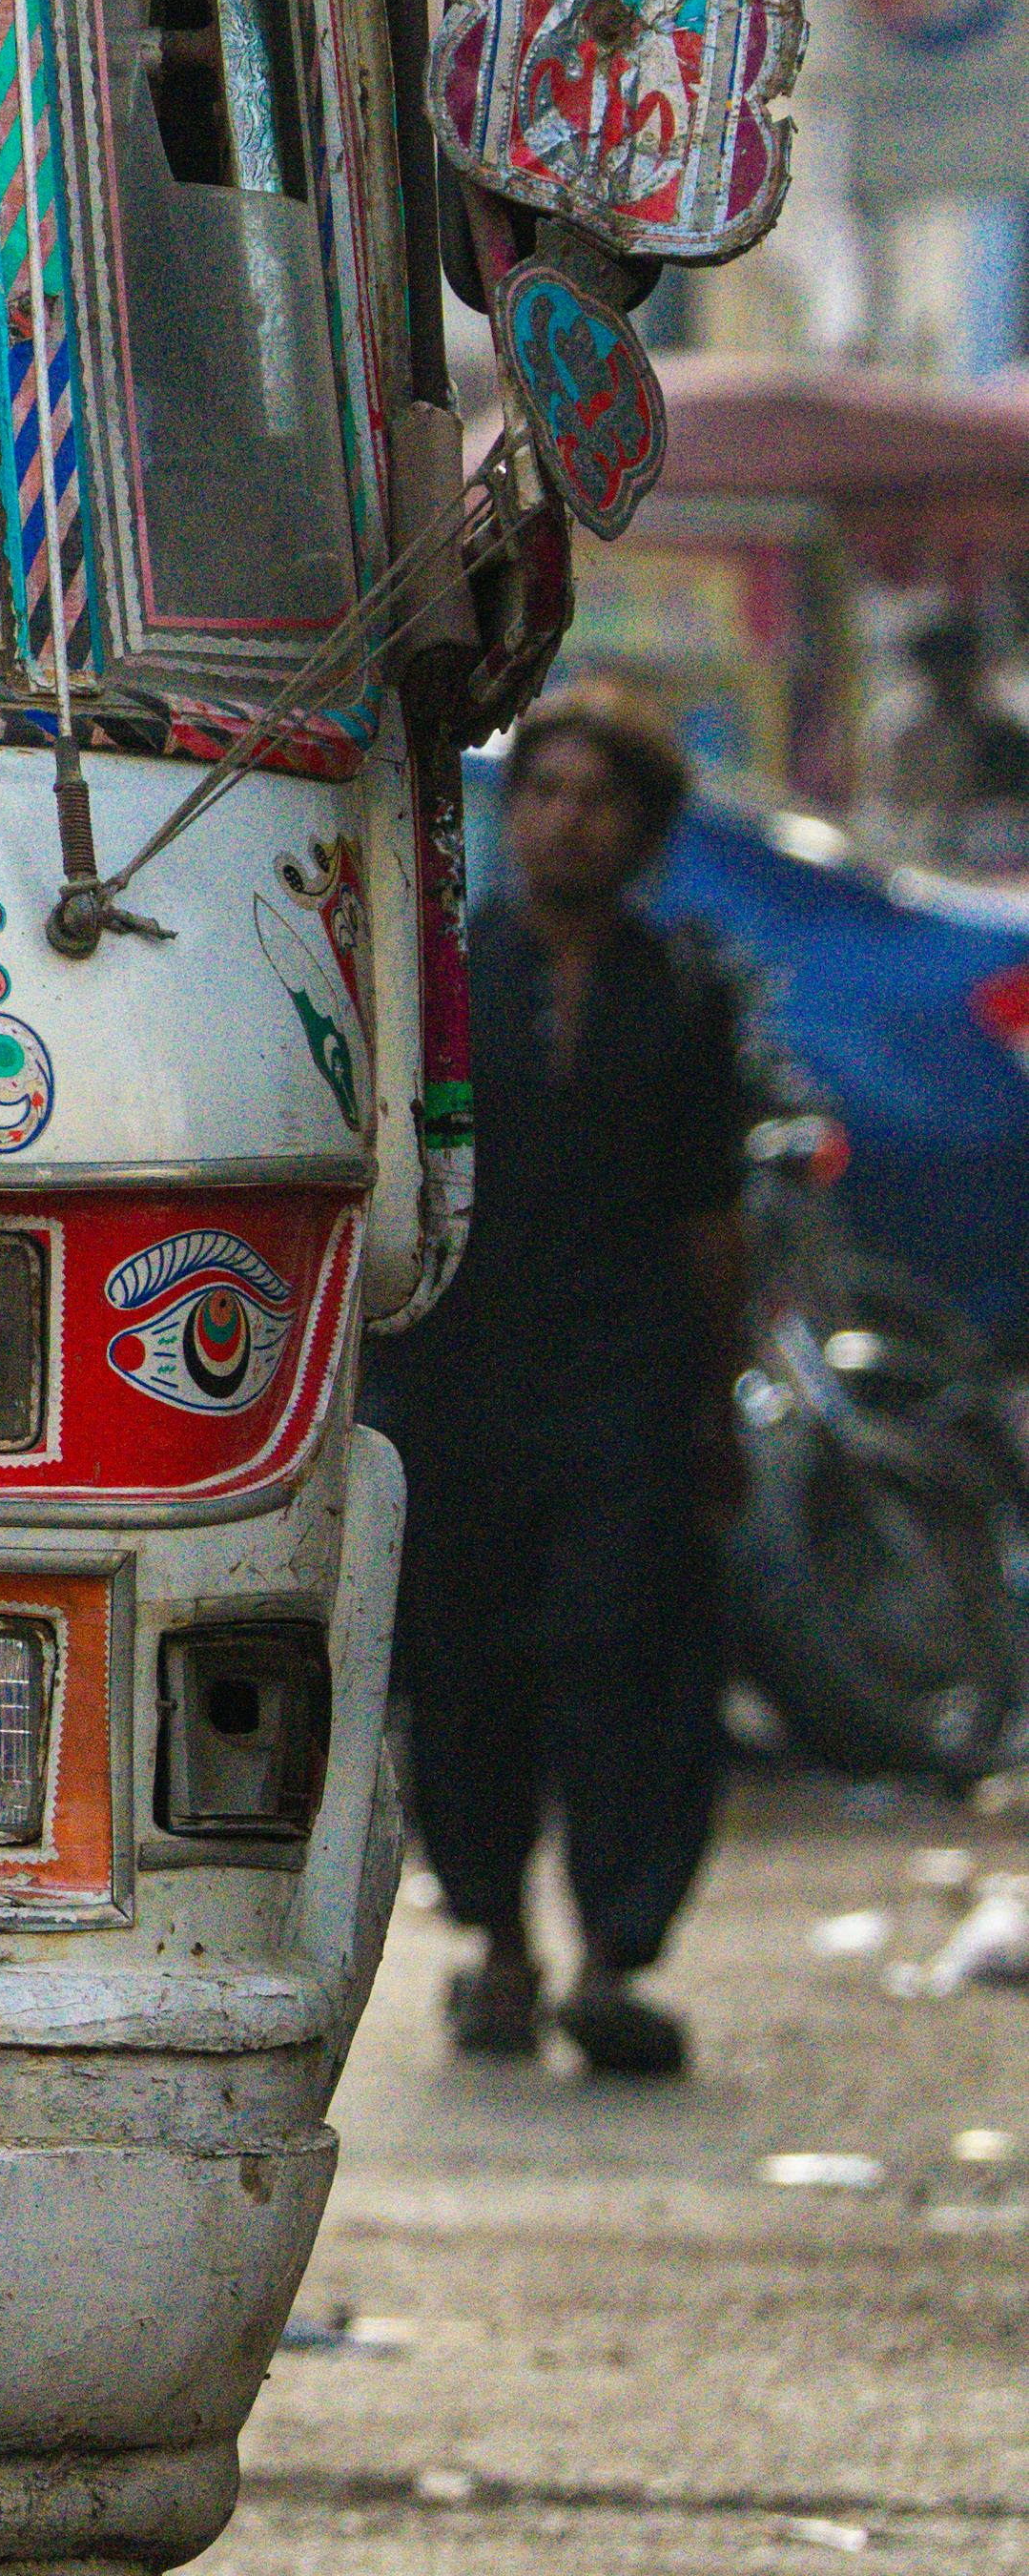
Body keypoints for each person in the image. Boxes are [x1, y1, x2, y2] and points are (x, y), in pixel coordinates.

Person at [368, 671, 755, 2085]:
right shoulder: (439, 977)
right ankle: (500, 1954)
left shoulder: (682, 994)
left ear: (641, 831)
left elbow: (709, 1219)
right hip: (457, 1380)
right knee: (464, 1672)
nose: (562, 823)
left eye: (595, 801)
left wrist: (713, 1404)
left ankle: (607, 1958)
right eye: (541, 792)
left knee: (623, 1659)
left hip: (624, 1386)